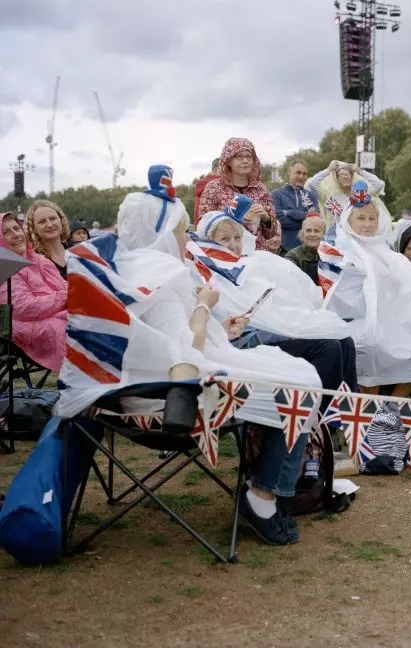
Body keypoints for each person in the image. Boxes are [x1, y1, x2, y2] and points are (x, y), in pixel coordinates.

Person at [57, 166, 324, 544]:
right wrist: (203, 303)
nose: (187, 239)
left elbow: (168, 339)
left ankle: (265, 488)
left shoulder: (131, 268)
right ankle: (262, 497)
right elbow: (186, 351)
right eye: (182, 231)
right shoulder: (163, 278)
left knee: (294, 372)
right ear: (161, 232)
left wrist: (221, 330)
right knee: (300, 384)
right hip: (172, 396)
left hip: (144, 385)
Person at [192, 201, 357, 399]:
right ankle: (315, 417)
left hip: (273, 331)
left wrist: (294, 322)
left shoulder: (248, 264)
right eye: (225, 239)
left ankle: (344, 411)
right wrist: (289, 330)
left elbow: (278, 304)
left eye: (237, 237)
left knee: (344, 339)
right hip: (249, 342)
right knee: (328, 346)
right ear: (208, 241)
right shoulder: (205, 275)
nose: (234, 244)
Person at [322, 182, 411, 397]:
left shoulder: (385, 251)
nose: (367, 224)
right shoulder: (336, 248)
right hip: (354, 319)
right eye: (361, 218)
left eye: (371, 218)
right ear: (348, 219)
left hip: (390, 317)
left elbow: (403, 289)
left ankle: (391, 407)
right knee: (372, 346)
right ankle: (370, 407)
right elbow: (337, 296)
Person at [0, 211, 67, 372]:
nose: (15, 235)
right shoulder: (5, 268)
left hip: (53, 313)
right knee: (72, 331)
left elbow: (63, 287)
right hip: (24, 324)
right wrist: (66, 297)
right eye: (5, 233)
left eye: (16, 228)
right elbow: (24, 308)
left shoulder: (41, 260)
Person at [198, 138, 280, 253]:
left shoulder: (261, 189)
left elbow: (270, 234)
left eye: (249, 157)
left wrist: (266, 217)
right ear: (229, 160)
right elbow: (204, 224)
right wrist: (232, 218)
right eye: (240, 157)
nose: (245, 160)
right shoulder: (214, 187)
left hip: (255, 254)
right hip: (225, 254)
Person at [306, 160, 384, 230]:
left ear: (352, 176)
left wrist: (360, 172)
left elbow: (379, 185)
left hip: (356, 238)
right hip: (335, 240)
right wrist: (328, 170)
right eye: (341, 174)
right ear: (336, 178)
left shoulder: (361, 196)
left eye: (348, 174)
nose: (345, 176)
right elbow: (312, 184)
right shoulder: (329, 198)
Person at [271, 160, 320, 252]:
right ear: (289, 172)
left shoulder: (310, 195)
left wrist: (289, 213)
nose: (301, 176)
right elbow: (278, 221)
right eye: (298, 172)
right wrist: (306, 218)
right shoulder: (276, 194)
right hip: (284, 250)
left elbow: (316, 221)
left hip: (308, 251)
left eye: (304, 174)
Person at [25, 199, 69, 279]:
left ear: (61, 221)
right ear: (33, 228)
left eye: (53, 218)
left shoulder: (77, 251)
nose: (49, 225)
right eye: (42, 221)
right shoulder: (33, 262)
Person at [285, 212, 326, 286]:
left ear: (323, 234)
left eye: (316, 231)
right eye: (308, 230)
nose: (312, 234)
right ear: (302, 233)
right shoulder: (293, 256)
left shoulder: (329, 256)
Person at [193, 157, 220, 226]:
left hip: (200, 231)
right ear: (218, 169)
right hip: (215, 232)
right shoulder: (218, 185)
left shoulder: (202, 184)